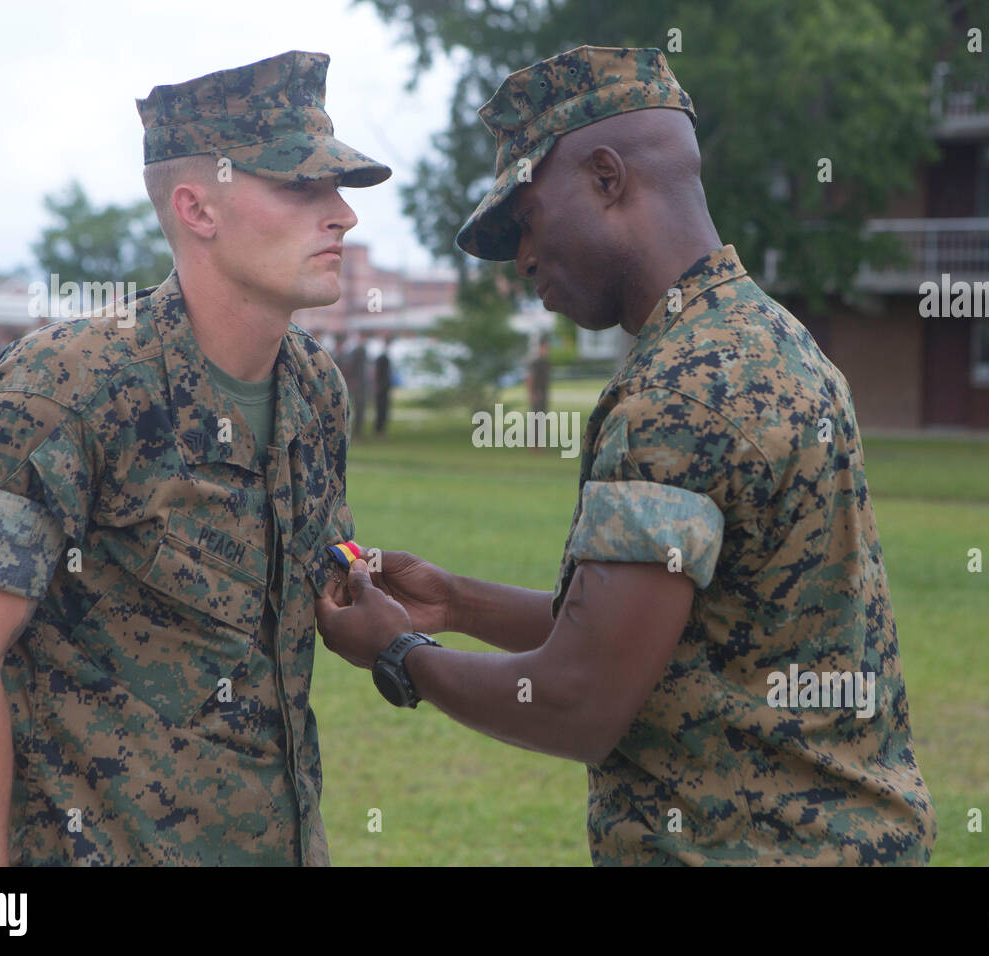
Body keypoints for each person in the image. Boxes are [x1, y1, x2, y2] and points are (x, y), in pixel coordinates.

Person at [315, 46, 937, 866]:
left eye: (528, 222)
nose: (524, 261)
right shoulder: (767, 337)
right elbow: (673, 634)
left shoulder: (676, 394)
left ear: (608, 179)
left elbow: (580, 700)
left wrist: (400, 653)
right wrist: (456, 603)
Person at [0, 50, 389, 866]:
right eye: (300, 188)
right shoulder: (66, 390)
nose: (342, 214)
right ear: (196, 209)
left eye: (338, 189)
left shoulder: (314, 388)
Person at [373, 342, 391, 436]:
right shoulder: (382, 359)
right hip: (381, 387)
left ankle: (380, 429)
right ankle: (379, 430)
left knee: (383, 409)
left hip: (384, 387)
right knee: (381, 409)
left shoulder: (383, 358)